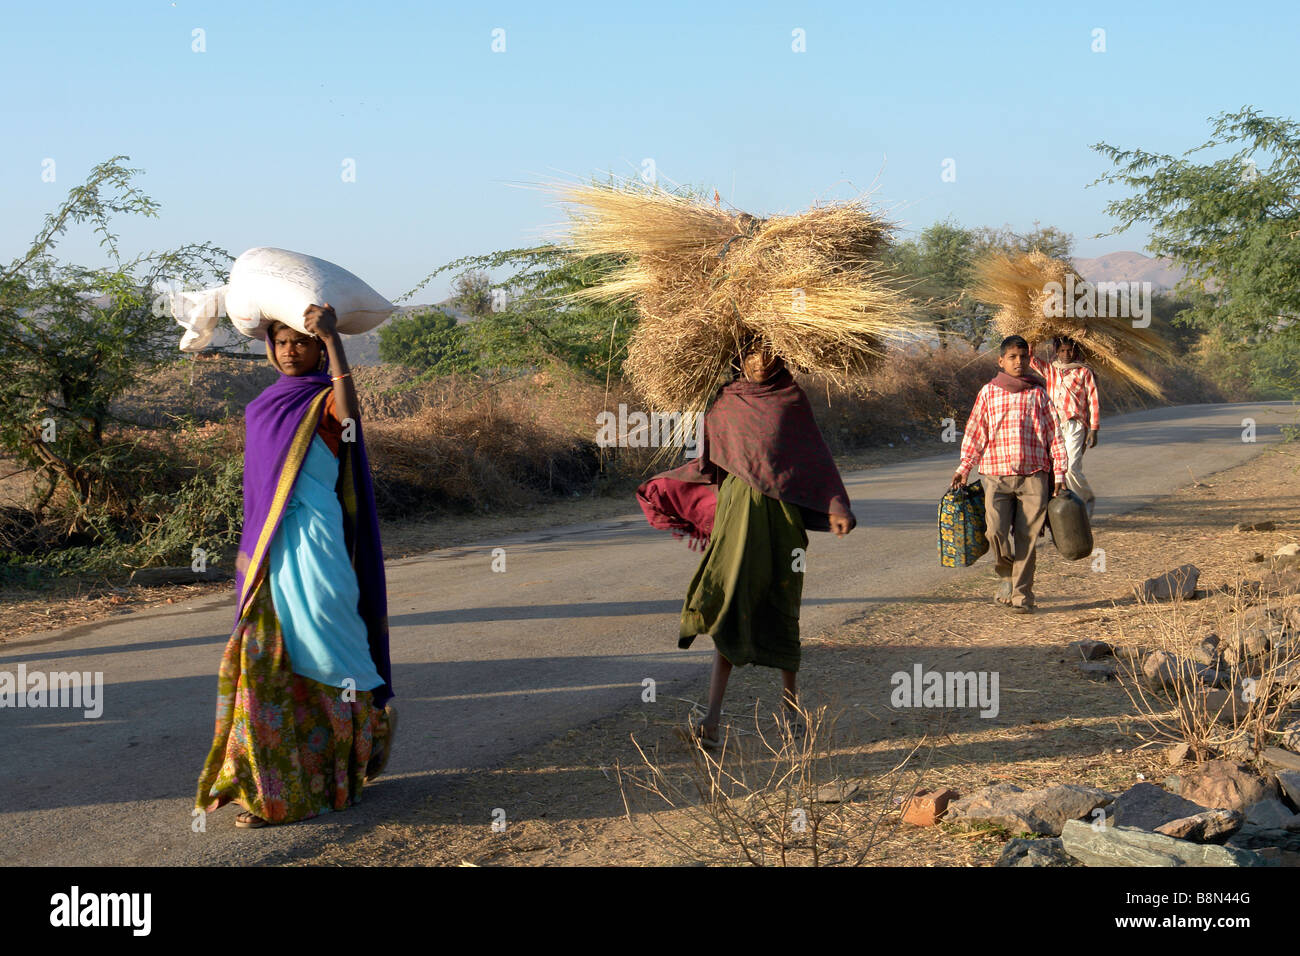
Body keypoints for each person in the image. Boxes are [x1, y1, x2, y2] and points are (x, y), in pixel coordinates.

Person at [195, 304, 396, 828]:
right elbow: (260, 494)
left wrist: (335, 343)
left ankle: (346, 765)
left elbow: (350, 419)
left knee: (332, 647)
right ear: (270, 346)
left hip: (317, 545)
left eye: (301, 343)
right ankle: (267, 794)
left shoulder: (324, 401)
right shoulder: (263, 406)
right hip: (267, 553)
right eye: (282, 341)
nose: (290, 351)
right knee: (261, 667)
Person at [637, 340, 855, 748]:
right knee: (732, 602)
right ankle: (711, 718)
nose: (762, 360)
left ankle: (792, 714)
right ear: (738, 358)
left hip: (783, 519)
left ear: (784, 354)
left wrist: (836, 502)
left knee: (782, 603)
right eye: (753, 352)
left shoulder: (791, 398)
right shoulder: (726, 400)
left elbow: (814, 456)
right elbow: (708, 463)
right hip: (737, 514)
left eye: (770, 351)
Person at [950, 334, 1068, 614]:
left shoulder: (1038, 393)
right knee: (995, 531)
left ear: (1029, 360)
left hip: (1034, 476)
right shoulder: (989, 392)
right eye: (1012, 357)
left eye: (1023, 357)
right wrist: (964, 467)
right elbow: (976, 432)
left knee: (1028, 538)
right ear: (1000, 361)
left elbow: (1055, 435)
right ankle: (1005, 574)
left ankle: (1022, 596)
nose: (1019, 362)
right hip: (996, 475)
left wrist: (1060, 473)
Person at [1027, 335, 1100, 516]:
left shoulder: (1084, 372)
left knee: (1072, 466)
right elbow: (1029, 360)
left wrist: (1094, 428)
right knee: (1058, 467)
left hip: (1076, 424)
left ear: (1076, 351)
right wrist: (1033, 340)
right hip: (1054, 426)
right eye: (1062, 350)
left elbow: (1093, 400)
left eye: (1070, 350)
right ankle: (1069, 507)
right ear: (1056, 352)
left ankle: (1085, 499)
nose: (1066, 354)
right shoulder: (1051, 370)